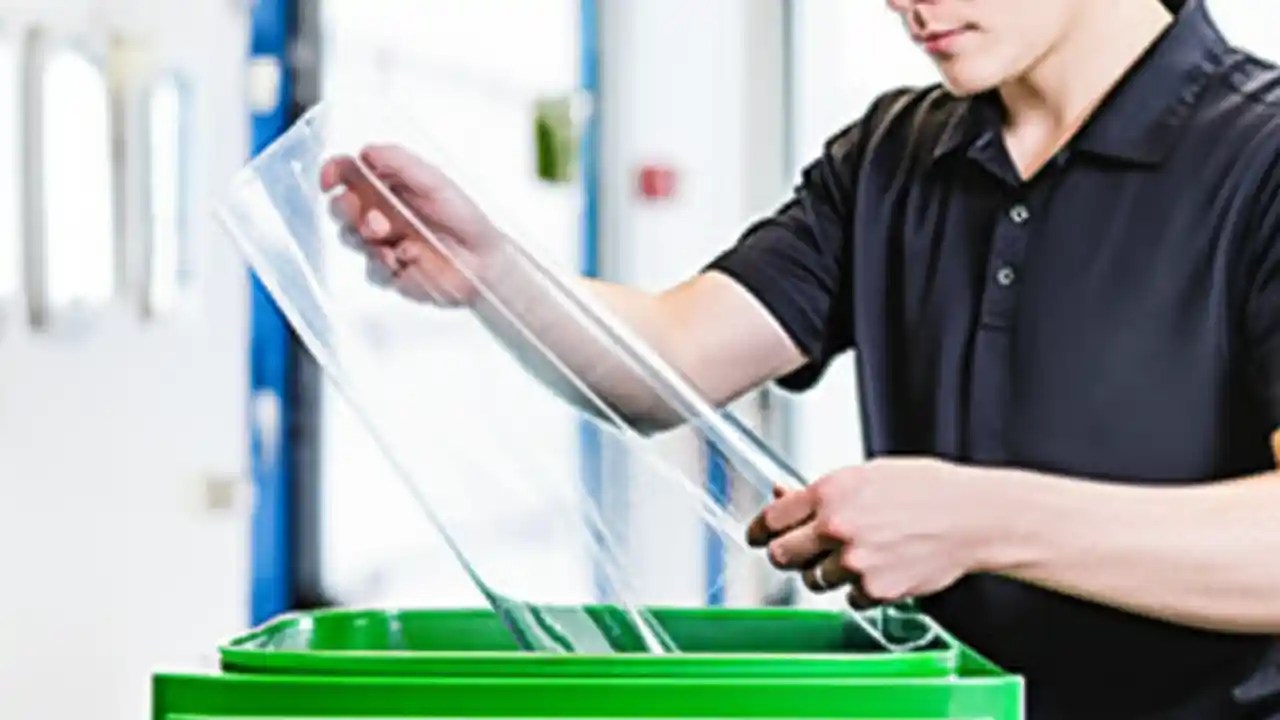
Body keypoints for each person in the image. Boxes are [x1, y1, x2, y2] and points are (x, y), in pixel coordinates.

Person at [322, 0, 1280, 716]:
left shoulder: (1263, 158)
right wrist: (494, 271)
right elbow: (674, 358)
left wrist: (980, 519)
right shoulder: (895, 154)